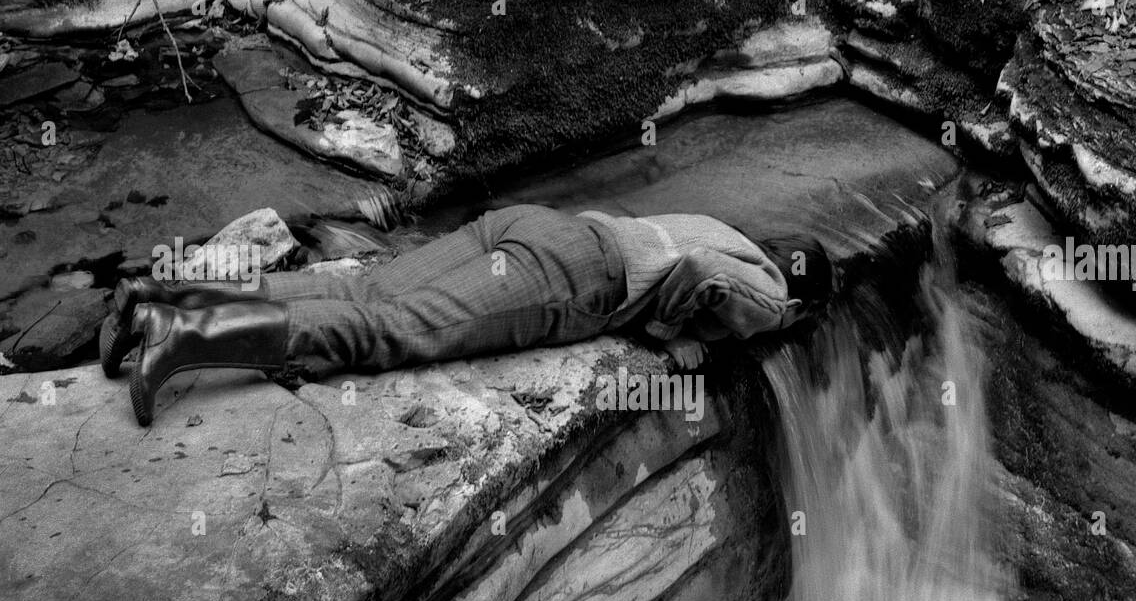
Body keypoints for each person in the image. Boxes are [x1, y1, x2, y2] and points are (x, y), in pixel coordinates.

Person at [100, 202, 836, 425]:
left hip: (527, 225)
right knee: (390, 329)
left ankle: (155, 298)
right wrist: (668, 331)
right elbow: (706, 279)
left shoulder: (730, 227)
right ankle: (187, 337)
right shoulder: (774, 289)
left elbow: (697, 251)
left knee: (369, 290)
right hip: (569, 275)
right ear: (799, 297)